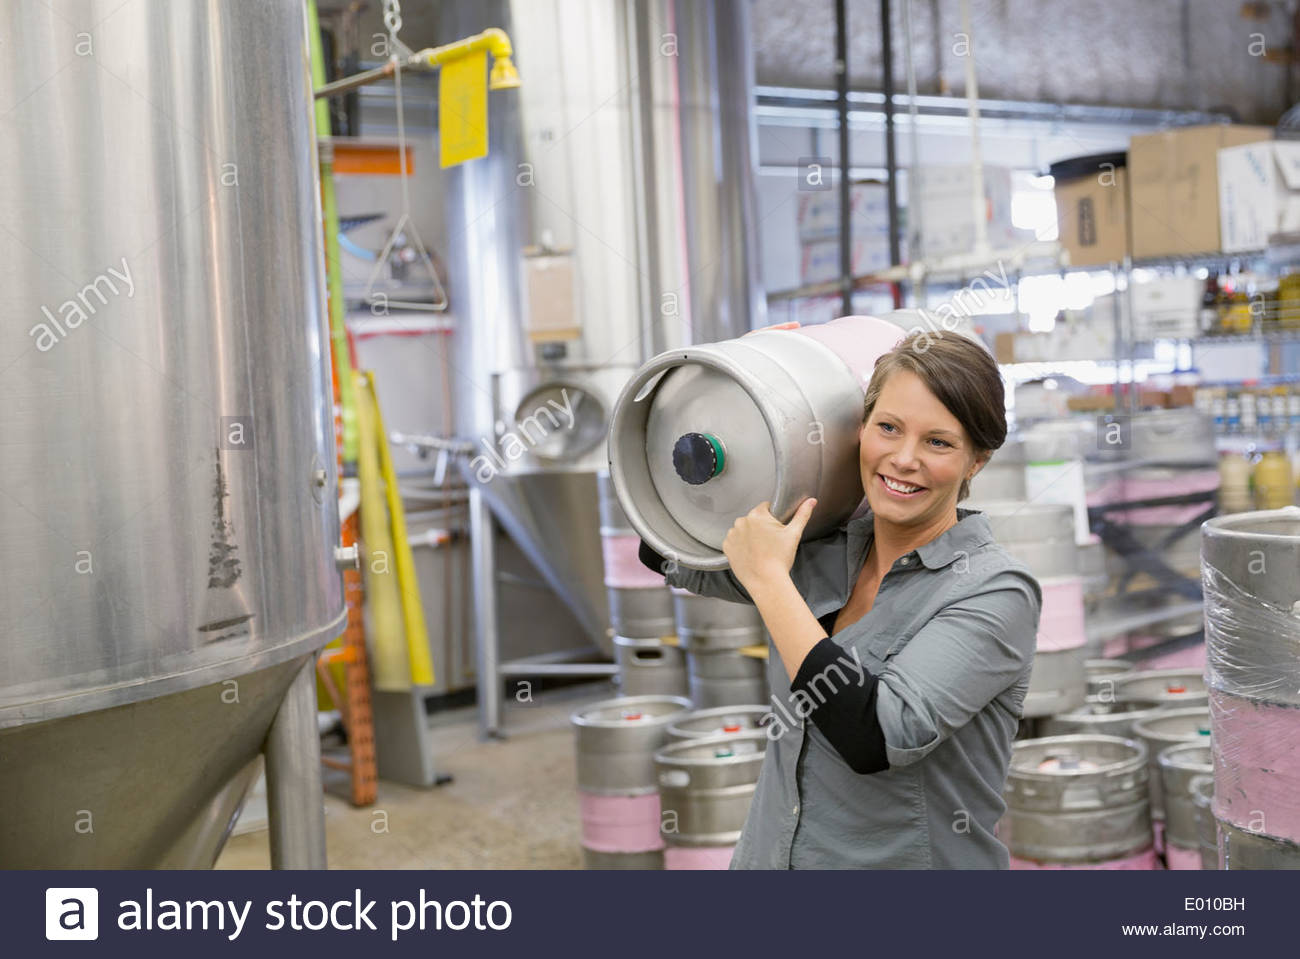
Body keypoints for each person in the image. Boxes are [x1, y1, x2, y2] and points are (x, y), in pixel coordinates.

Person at [640, 330, 1042, 868]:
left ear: (977, 462)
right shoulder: (822, 553)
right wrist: (736, 375)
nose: (903, 459)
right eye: (888, 428)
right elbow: (664, 547)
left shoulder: (995, 591)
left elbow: (874, 736)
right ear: (860, 429)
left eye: (938, 442)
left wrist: (772, 583)